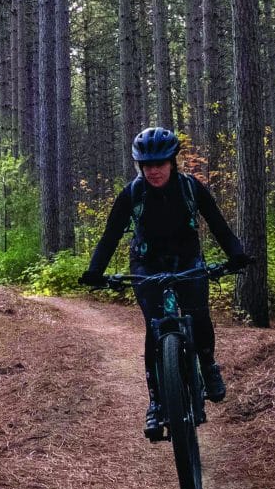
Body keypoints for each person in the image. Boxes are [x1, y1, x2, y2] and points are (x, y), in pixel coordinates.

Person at [79, 126, 250, 441]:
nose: (154, 171)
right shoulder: (132, 194)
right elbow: (110, 236)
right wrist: (94, 270)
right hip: (146, 264)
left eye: (160, 163)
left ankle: (208, 365)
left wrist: (236, 255)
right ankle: (157, 402)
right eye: (147, 165)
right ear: (139, 166)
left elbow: (218, 225)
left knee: (198, 316)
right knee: (155, 327)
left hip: (187, 261)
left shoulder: (191, 189)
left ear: (173, 162)